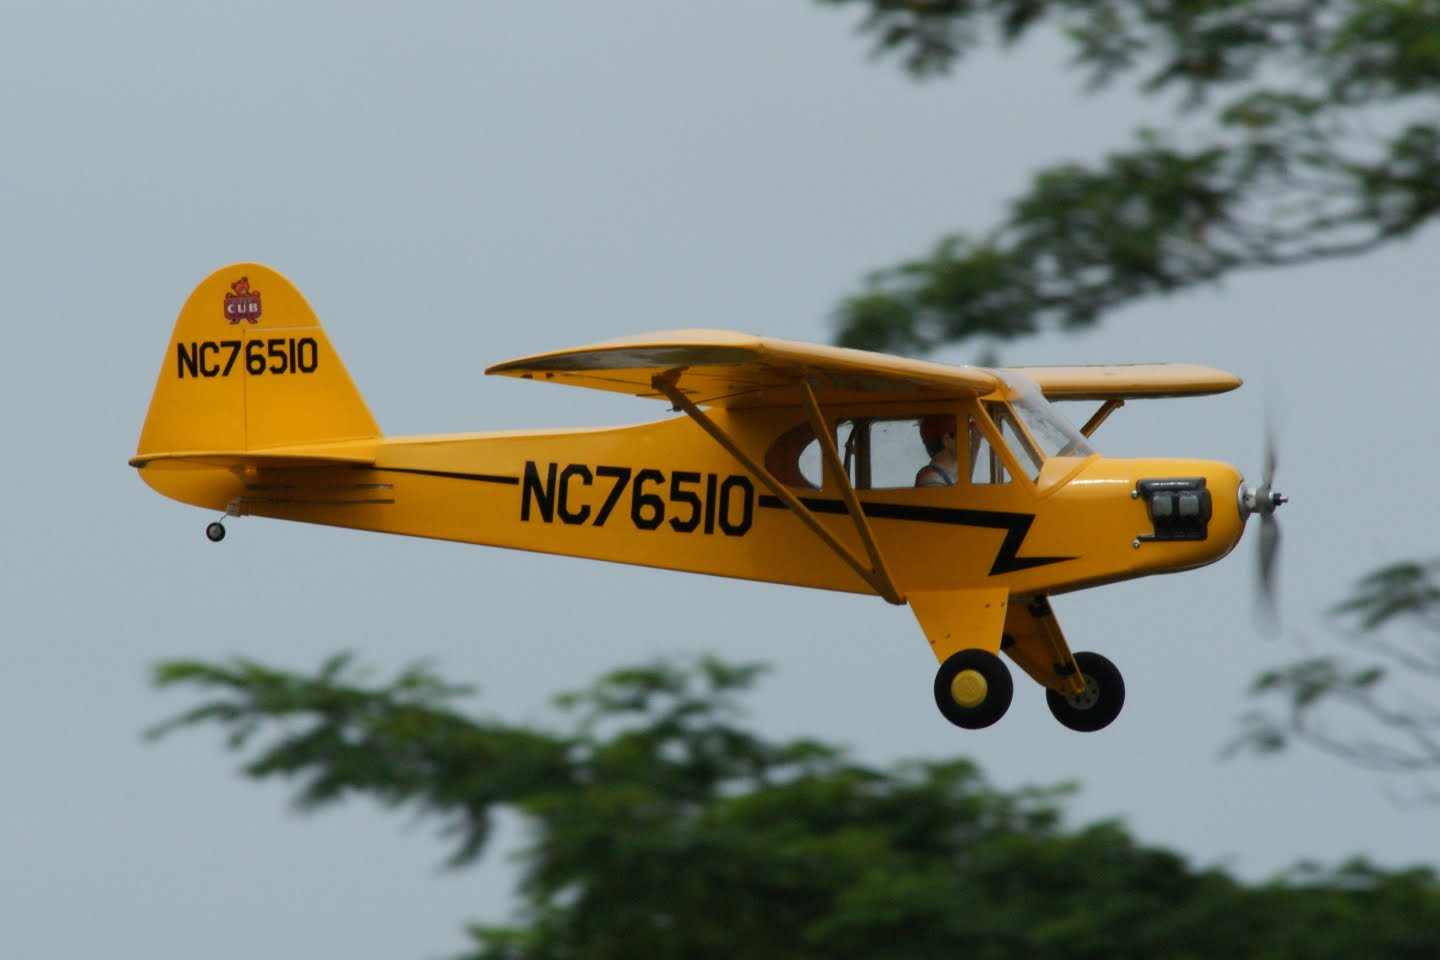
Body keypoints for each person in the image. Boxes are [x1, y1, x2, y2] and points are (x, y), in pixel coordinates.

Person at [915, 414, 958, 487]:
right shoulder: (931, 479)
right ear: (946, 440)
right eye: (963, 436)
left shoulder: (952, 470)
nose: (969, 442)